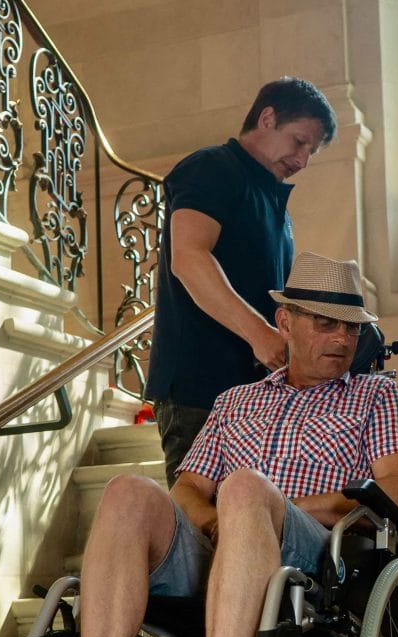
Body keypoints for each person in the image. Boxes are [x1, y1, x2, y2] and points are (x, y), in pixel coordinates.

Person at [0, 253, 398, 637]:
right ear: (284, 322)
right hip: (224, 545)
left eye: (352, 328)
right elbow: (187, 490)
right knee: (129, 491)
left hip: (317, 558)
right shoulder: (236, 402)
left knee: (243, 486)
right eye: (326, 324)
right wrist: (221, 521)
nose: (342, 339)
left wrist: (265, 507)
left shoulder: (376, 396)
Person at [148, 77, 338, 483]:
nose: (303, 160)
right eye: (300, 141)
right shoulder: (212, 167)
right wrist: (261, 335)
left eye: (312, 151)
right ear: (267, 118)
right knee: (201, 534)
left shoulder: (274, 202)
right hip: (200, 391)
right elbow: (189, 258)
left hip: (254, 395)